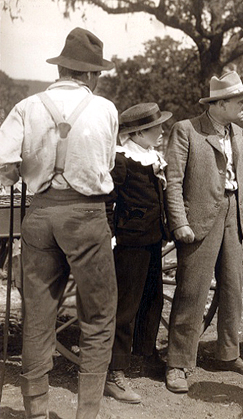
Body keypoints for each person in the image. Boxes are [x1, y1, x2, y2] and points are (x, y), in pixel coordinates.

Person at [0, 28, 118, 418]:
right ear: (89, 75)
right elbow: (107, 165)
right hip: (86, 215)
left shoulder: (28, 106)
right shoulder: (105, 109)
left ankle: (36, 413)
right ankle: (87, 414)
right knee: (99, 315)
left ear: (62, 69)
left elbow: (6, 166)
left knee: (38, 314)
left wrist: (24, 171)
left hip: (40, 213)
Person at [164, 71, 243, 393]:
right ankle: (178, 363)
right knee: (191, 292)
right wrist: (180, 222)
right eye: (240, 101)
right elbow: (174, 182)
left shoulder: (239, 133)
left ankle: (227, 353)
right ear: (219, 104)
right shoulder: (187, 130)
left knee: (233, 290)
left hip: (232, 218)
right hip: (199, 221)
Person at [103, 103, 172, 403]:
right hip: (130, 242)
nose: (161, 131)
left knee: (152, 298)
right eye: (156, 128)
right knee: (127, 305)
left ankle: (146, 353)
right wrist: (110, 234)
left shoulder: (153, 157)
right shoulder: (121, 159)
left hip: (153, 239)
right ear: (140, 132)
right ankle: (114, 371)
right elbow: (108, 198)